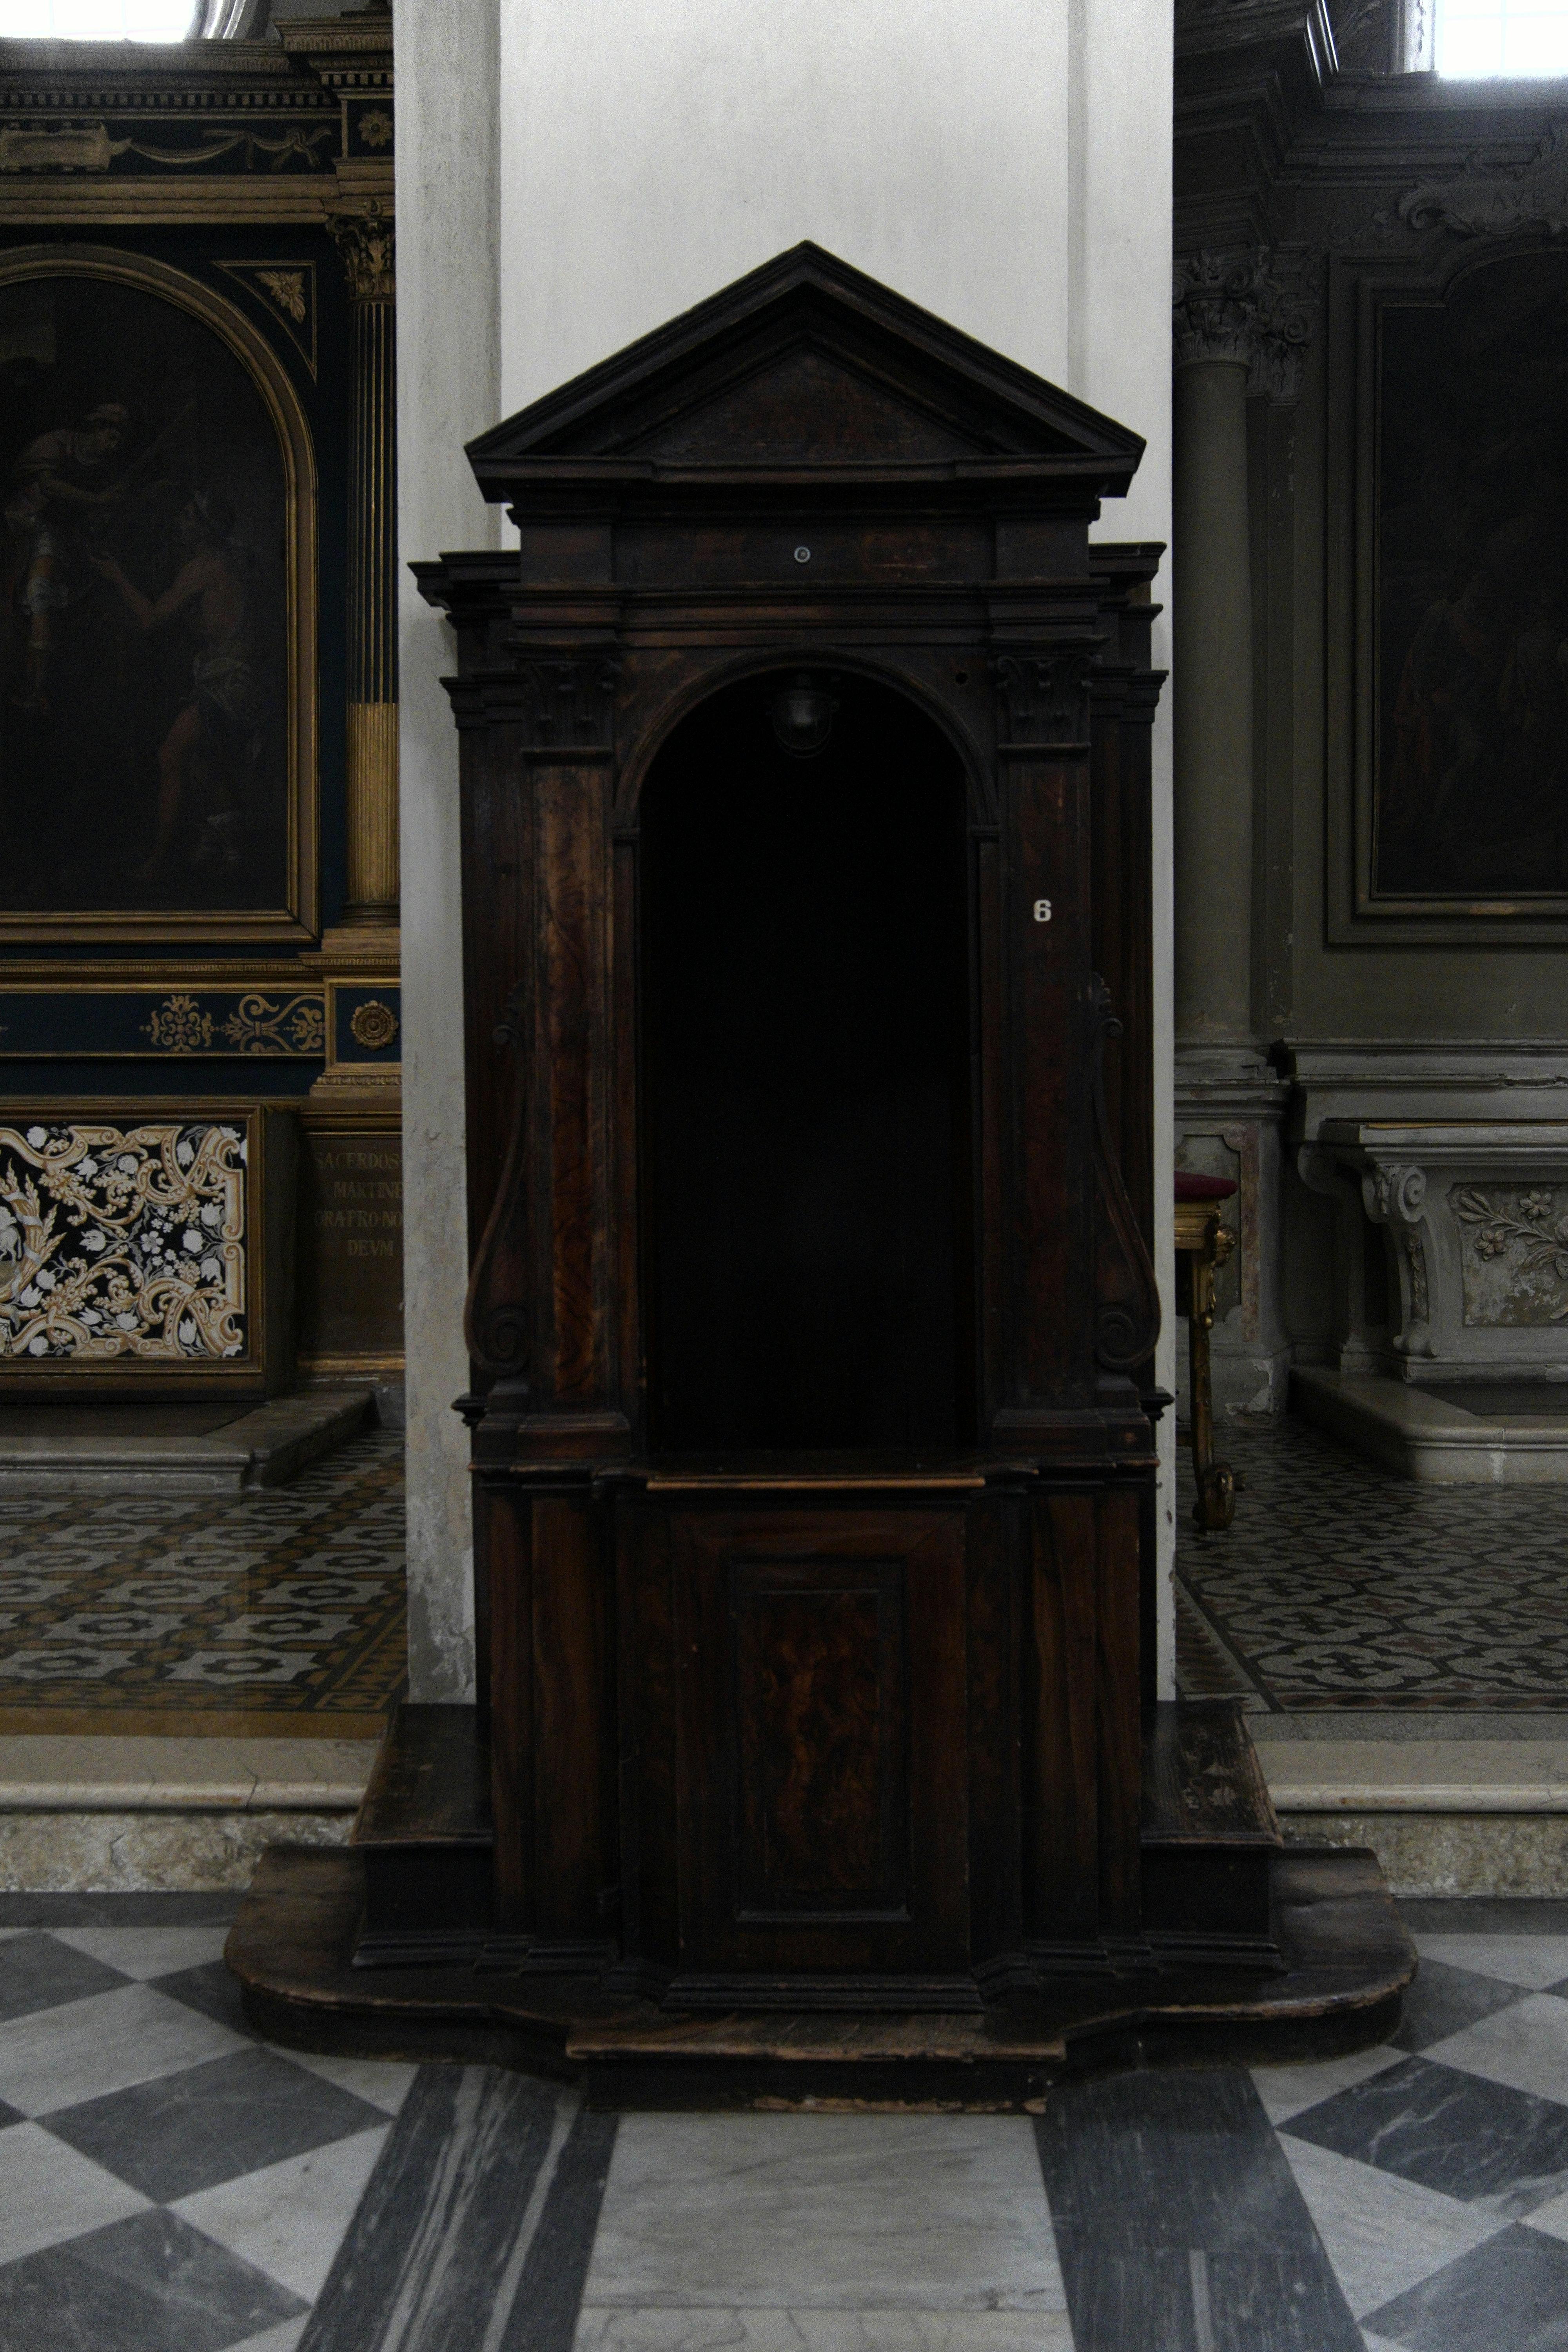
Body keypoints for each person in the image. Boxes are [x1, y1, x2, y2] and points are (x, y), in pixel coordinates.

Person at [91, 491, 262, 882]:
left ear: (206, 527)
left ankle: (158, 859)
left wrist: (118, 578)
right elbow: (223, 622)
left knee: (171, 756)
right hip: (242, 678)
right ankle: (225, 844)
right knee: (202, 762)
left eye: (189, 517)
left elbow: (151, 619)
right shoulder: (239, 560)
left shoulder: (202, 567)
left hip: (224, 681)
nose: (181, 523)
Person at [4, 402, 130, 712]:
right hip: (26, 523)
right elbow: (47, 484)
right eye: (112, 436)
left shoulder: (102, 466)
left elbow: (92, 515)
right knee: (40, 592)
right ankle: (34, 686)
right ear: (98, 428)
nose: (114, 446)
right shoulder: (57, 443)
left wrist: (104, 511)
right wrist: (96, 499)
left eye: (120, 440)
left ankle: (42, 686)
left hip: (64, 533)